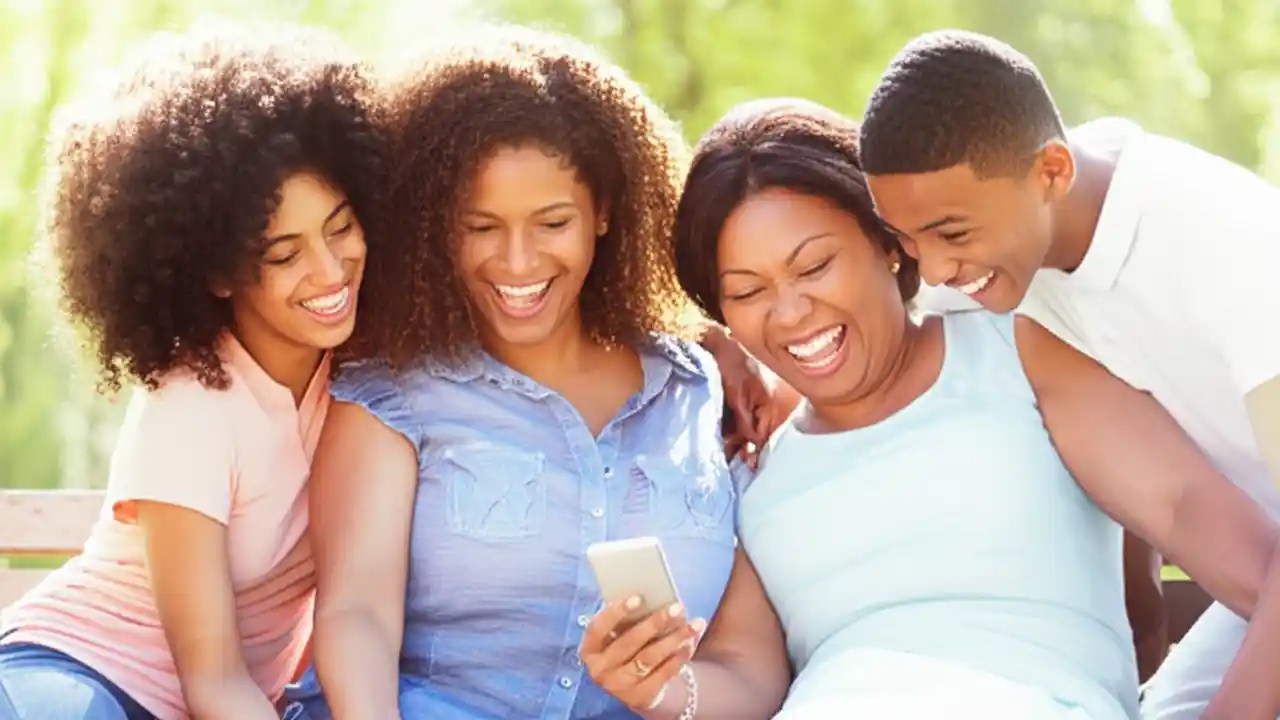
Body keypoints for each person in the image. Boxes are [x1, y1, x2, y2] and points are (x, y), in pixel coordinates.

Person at [578, 98, 1280, 720]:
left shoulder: (1019, 348)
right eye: (747, 290)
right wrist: (661, 689)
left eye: (814, 266)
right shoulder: (754, 470)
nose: (789, 313)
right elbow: (746, 679)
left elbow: (1191, 517)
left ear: (889, 242)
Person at [282, 26, 764, 720]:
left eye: (551, 223)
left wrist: (663, 692)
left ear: (602, 211)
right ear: (438, 226)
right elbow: (357, 615)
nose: (516, 262)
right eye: (481, 226)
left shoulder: (698, 389)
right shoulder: (395, 392)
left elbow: (749, 667)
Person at [858, 29, 1280, 719]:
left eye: (951, 236)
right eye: (908, 242)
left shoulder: (1231, 245)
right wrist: (729, 359)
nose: (933, 271)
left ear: (1052, 173)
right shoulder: (1018, 222)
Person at [0, 20, 386, 720]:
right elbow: (210, 678)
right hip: (80, 677)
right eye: (284, 253)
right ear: (216, 271)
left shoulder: (363, 379)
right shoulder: (191, 405)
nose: (329, 271)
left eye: (340, 227)